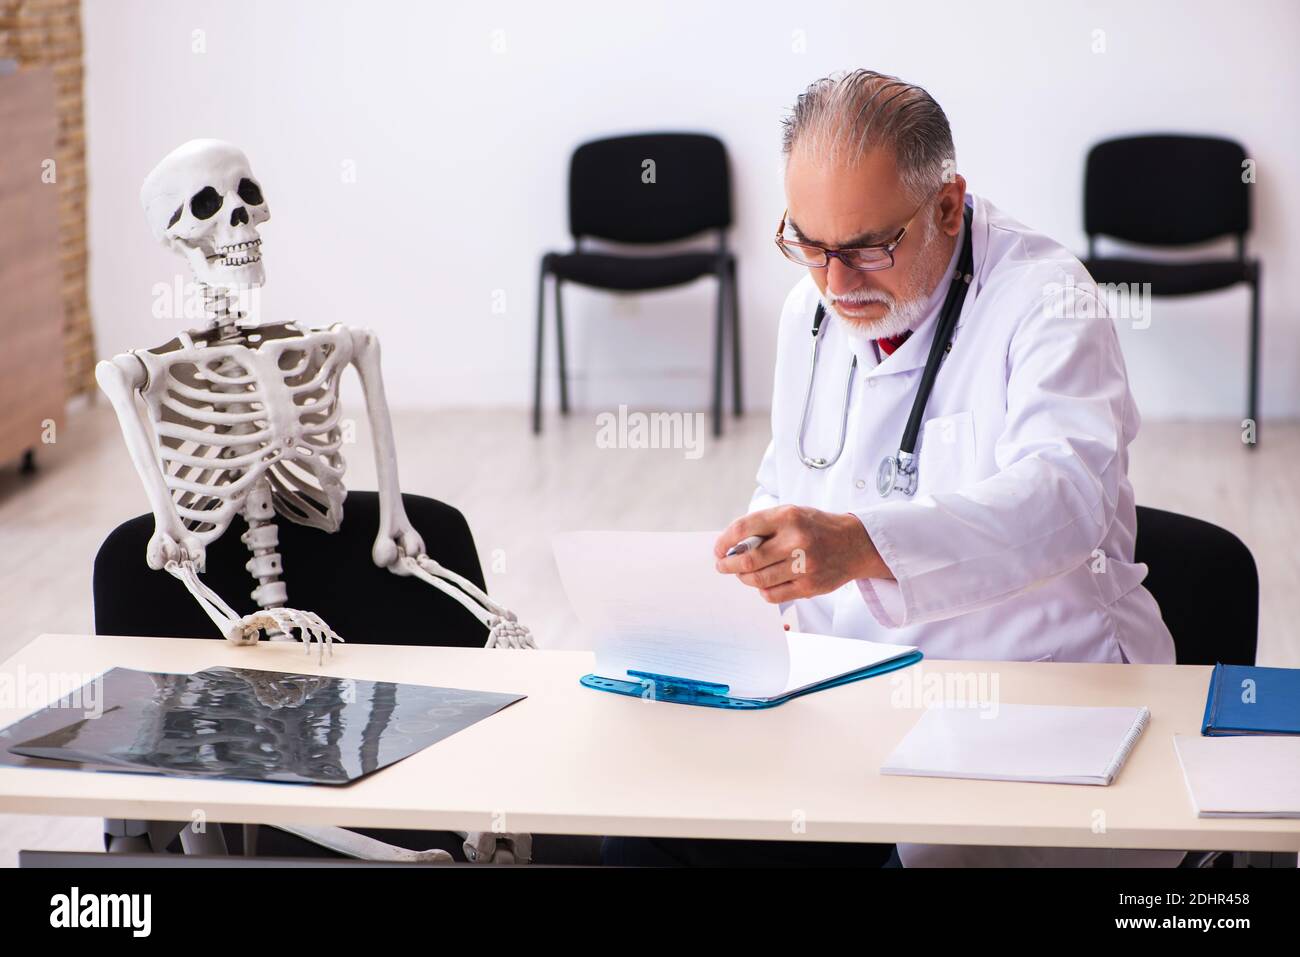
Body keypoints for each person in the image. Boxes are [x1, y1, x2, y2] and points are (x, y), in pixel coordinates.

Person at [606, 68, 1182, 868]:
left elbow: (1066, 499)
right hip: (852, 695)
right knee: (649, 832)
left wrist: (860, 543)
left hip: (1035, 694)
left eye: (867, 248)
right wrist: (756, 573)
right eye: (807, 244)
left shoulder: (1048, 299)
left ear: (947, 204)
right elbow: (793, 476)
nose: (835, 284)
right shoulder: (807, 313)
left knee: (929, 858)